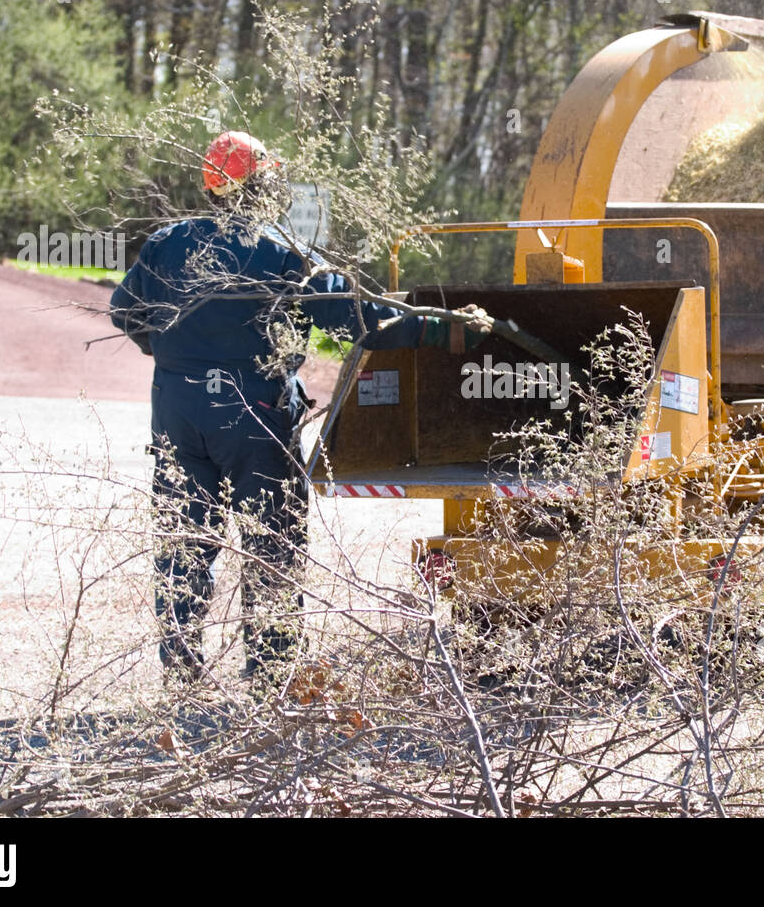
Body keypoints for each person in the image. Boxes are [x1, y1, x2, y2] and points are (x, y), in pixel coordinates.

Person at [110, 131, 488, 684]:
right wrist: (442, 329)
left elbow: (126, 314)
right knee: (272, 544)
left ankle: (180, 669)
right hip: (255, 412)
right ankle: (270, 676)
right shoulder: (283, 255)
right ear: (261, 185)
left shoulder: (167, 244)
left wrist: (175, 357)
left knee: (184, 541)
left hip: (177, 410)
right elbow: (359, 322)